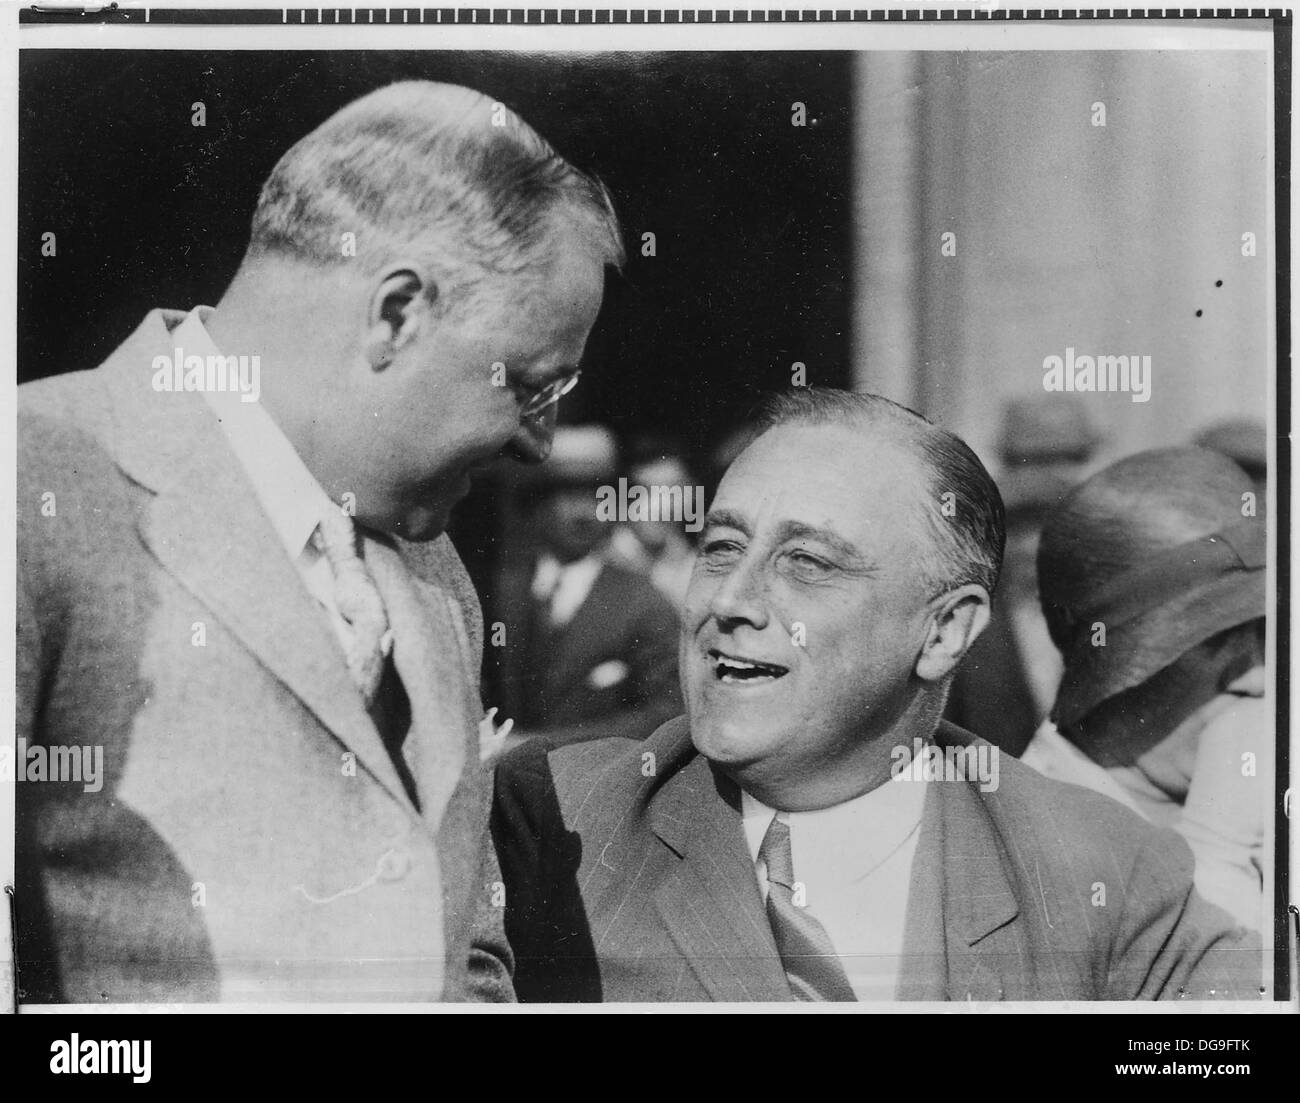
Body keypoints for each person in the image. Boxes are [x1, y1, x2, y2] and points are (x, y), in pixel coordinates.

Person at [16, 81, 623, 1003]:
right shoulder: (33, 483)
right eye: (532, 387)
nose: (538, 444)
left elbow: (466, 952)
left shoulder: (435, 571)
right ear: (396, 313)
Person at [490, 388, 1258, 1003]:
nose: (732, 600)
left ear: (944, 632)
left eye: (808, 561)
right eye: (723, 547)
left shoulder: (1110, 876)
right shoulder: (554, 826)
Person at [1023, 447, 1269, 934]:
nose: (1259, 676)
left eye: (1267, 633)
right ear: (1112, 672)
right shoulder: (1027, 839)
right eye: (1216, 639)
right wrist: (1217, 849)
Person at [484, 426, 682, 753]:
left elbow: (666, 715)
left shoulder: (644, 601)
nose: (584, 513)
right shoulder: (501, 590)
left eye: (598, 496)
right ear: (536, 504)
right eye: (566, 495)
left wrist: (534, 745)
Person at [945, 396, 1099, 755]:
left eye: (1068, 458)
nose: (1032, 547)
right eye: (1020, 528)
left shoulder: (1108, 606)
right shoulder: (968, 619)